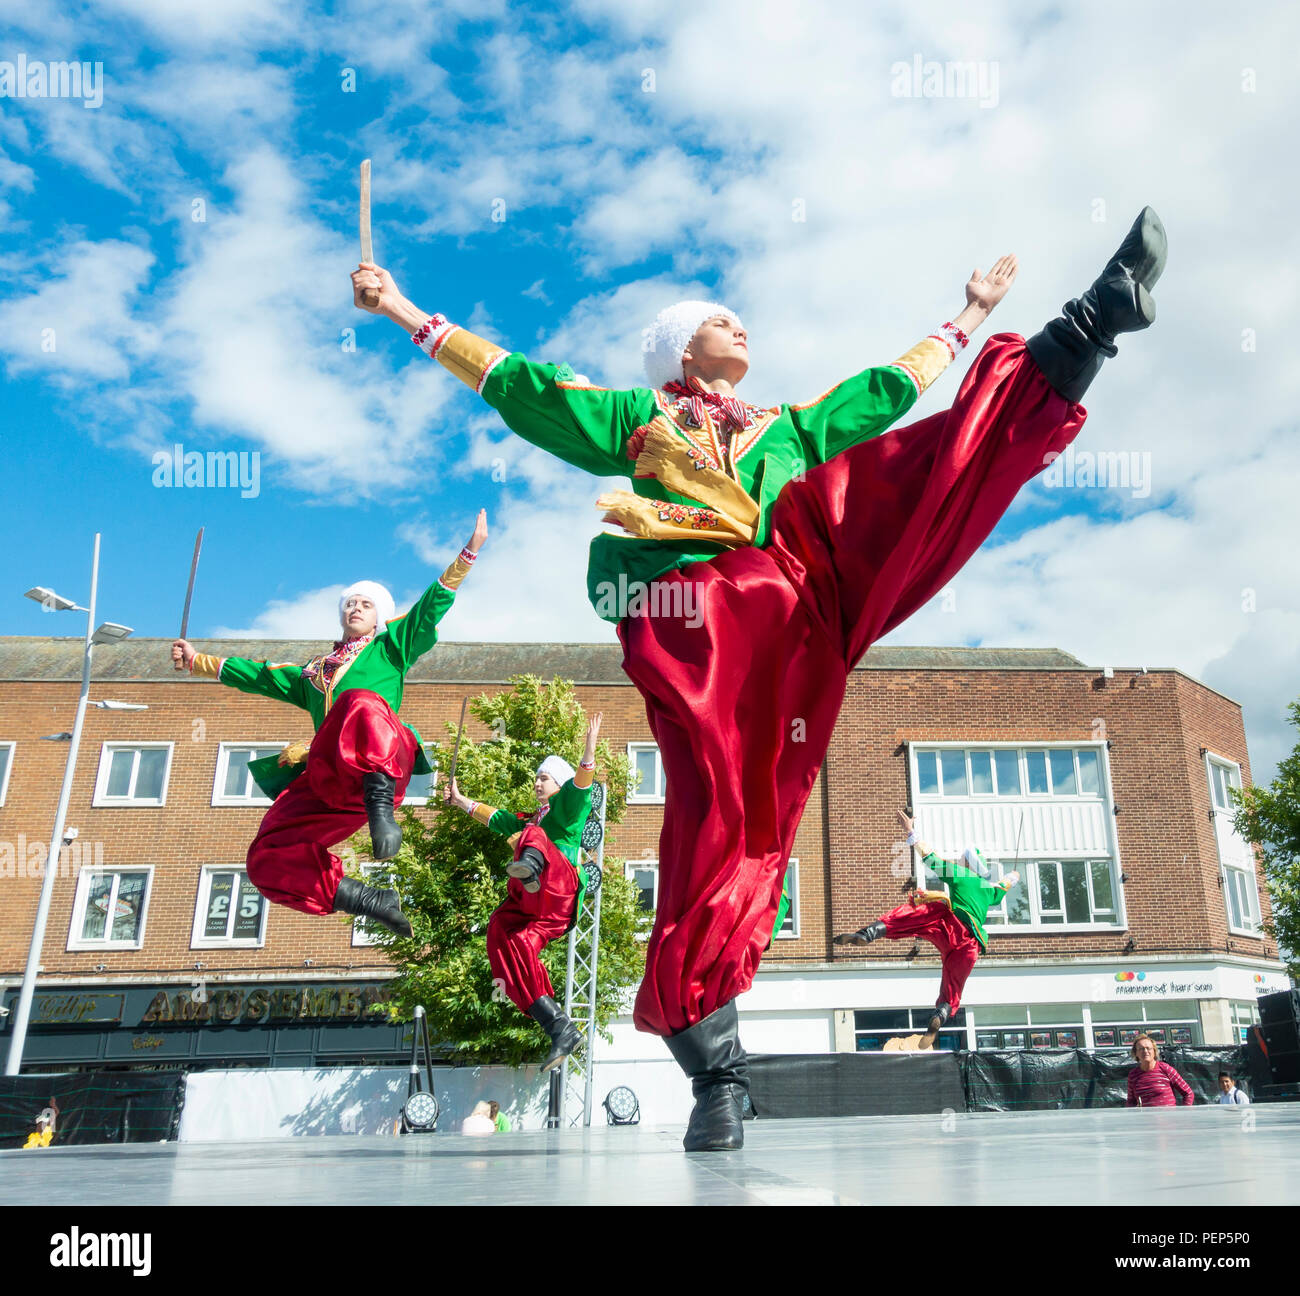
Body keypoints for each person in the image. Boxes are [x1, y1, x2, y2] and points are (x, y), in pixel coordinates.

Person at [353, 208, 1167, 1150]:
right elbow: (520, 386)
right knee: (730, 822)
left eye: (738, 317)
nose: (737, 325)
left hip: (797, 596)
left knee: (914, 474)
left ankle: (1089, 328)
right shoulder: (639, 417)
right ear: (679, 350)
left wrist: (967, 314)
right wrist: (403, 308)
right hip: (694, 623)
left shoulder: (784, 428)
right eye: (716, 319)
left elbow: (881, 395)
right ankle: (718, 1074)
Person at [172, 511, 488, 937]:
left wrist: (468, 554)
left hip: (383, 764)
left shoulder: (391, 647)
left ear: (380, 619)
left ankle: (380, 810)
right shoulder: (315, 673)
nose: (355, 607)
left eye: (366, 603)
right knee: (267, 855)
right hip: (331, 780)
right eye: (349, 604)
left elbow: (428, 611)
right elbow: (263, 674)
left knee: (359, 701)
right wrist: (198, 662)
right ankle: (368, 899)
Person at [443, 713, 602, 1073]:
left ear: (558, 783)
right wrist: (460, 800)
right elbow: (497, 818)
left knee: (533, 835)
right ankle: (558, 1025)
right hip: (538, 913)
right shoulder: (534, 816)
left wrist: (588, 749)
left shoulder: (565, 809)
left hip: (560, 888)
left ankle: (531, 868)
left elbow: (581, 786)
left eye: (543, 777)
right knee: (503, 933)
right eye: (536, 777)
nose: (537, 782)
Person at [834, 810, 1017, 1031]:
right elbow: (1003, 887)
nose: (958, 860)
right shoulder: (988, 890)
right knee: (953, 982)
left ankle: (870, 933)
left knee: (919, 914)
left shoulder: (961, 873)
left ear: (968, 862)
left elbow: (932, 859)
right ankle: (942, 1012)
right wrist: (1013, 877)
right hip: (970, 945)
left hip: (948, 927)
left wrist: (910, 830)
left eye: (961, 858)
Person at [1127, 1034, 1195, 1107]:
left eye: (1148, 1048)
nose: (1145, 1051)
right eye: (1141, 1049)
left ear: (1154, 1051)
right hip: (1144, 1118)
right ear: (1136, 1053)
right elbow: (1131, 1102)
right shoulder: (1133, 1075)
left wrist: (1184, 1113)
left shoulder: (1165, 1069)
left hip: (1169, 1117)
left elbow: (1188, 1093)